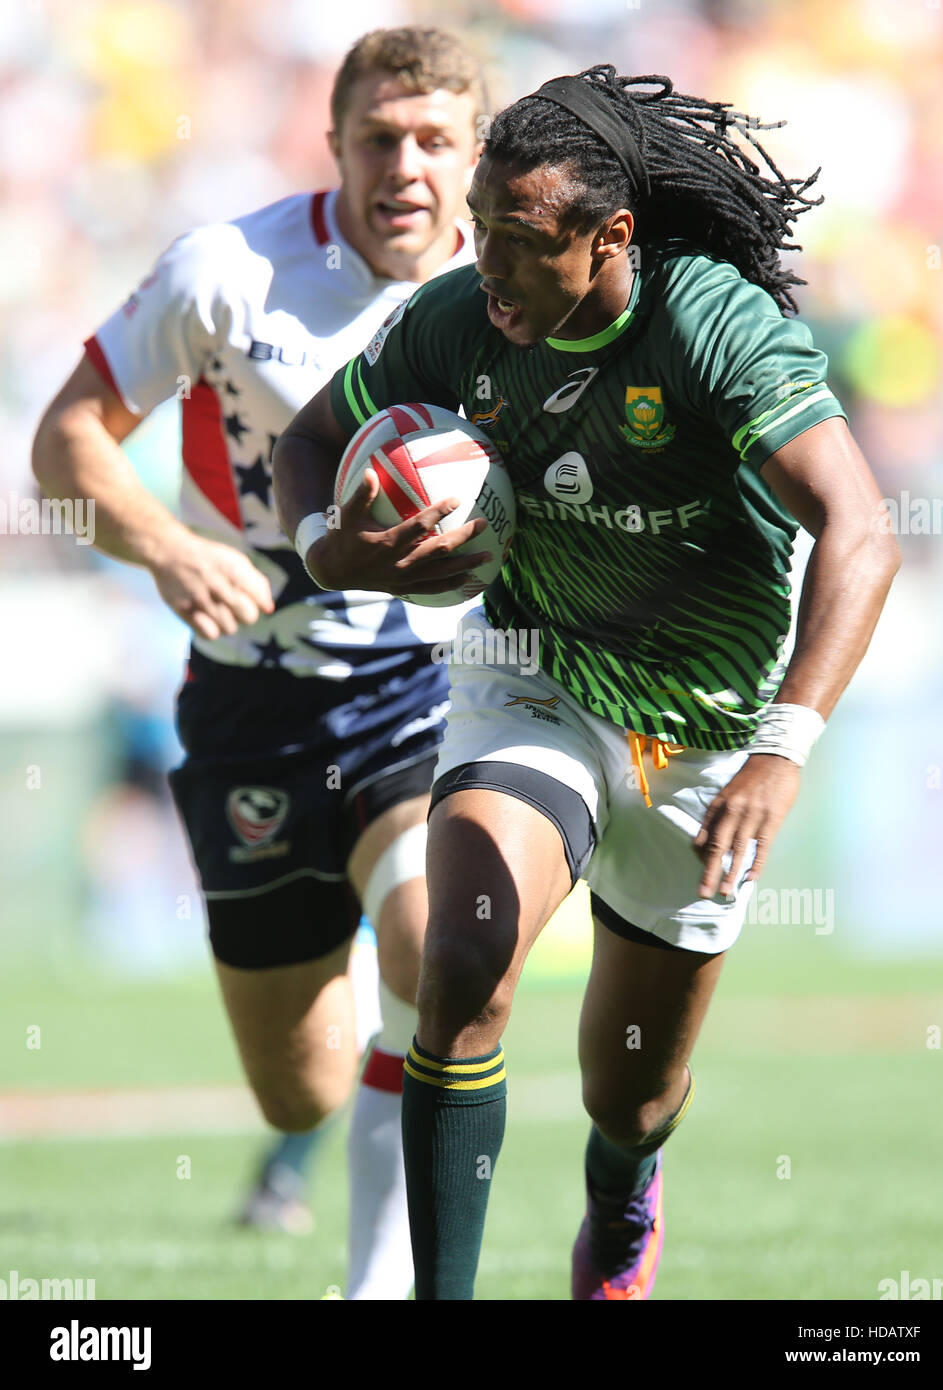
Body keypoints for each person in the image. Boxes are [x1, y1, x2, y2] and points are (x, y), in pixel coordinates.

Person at [274, 65, 901, 1301]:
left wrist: (783, 745)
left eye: (518, 239)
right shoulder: (459, 320)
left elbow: (861, 527)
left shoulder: (709, 323)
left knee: (634, 1088)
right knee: (464, 959)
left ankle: (622, 1197)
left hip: (705, 727)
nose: (486, 262)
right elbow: (306, 440)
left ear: (610, 235)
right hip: (534, 674)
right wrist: (321, 546)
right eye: (478, 227)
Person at [32, 26, 486, 1299]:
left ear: (474, 157)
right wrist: (170, 549)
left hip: (429, 686)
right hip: (253, 696)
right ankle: (337, 973)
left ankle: (385, 1285)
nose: (405, 166)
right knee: (305, 1081)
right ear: (333, 141)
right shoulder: (225, 271)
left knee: (438, 952)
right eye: (378, 138)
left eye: (434, 141)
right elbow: (65, 444)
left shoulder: (512, 289)